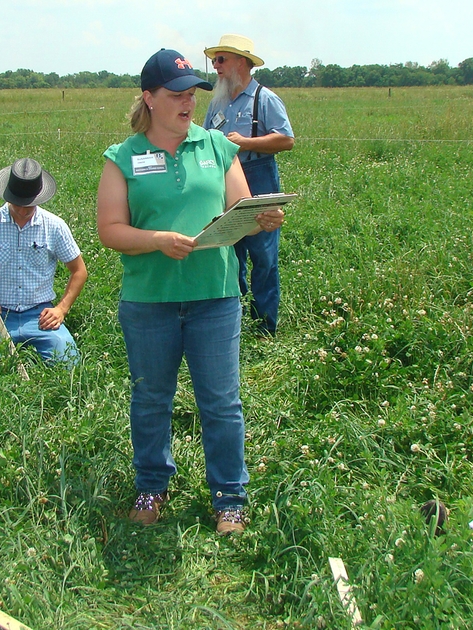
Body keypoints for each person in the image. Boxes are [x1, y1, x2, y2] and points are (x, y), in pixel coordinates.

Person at [96, 48, 284, 535]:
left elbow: (239, 208)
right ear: (149, 99)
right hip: (148, 300)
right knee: (151, 398)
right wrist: (155, 240)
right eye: (176, 94)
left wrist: (260, 217)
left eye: (193, 94)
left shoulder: (218, 147)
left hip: (215, 296)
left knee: (221, 400)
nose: (187, 102)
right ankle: (152, 485)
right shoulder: (123, 158)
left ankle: (229, 497)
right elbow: (110, 230)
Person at [203, 34, 295, 335]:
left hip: (259, 175)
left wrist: (245, 143)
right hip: (225, 179)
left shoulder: (264, 98)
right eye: (214, 60)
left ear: (241, 62)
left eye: (221, 59)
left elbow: (286, 139)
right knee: (232, 251)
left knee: (264, 256)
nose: (215, 66)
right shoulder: (216, 101)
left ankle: (265, 325)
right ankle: (235, 321)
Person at [0, 157, 87, 366]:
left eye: (28, 206)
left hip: (40, 315)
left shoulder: (54, 226)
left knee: (70, 363)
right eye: (17, 205)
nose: (22, 211)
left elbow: (79, 271)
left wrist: (61, 309)